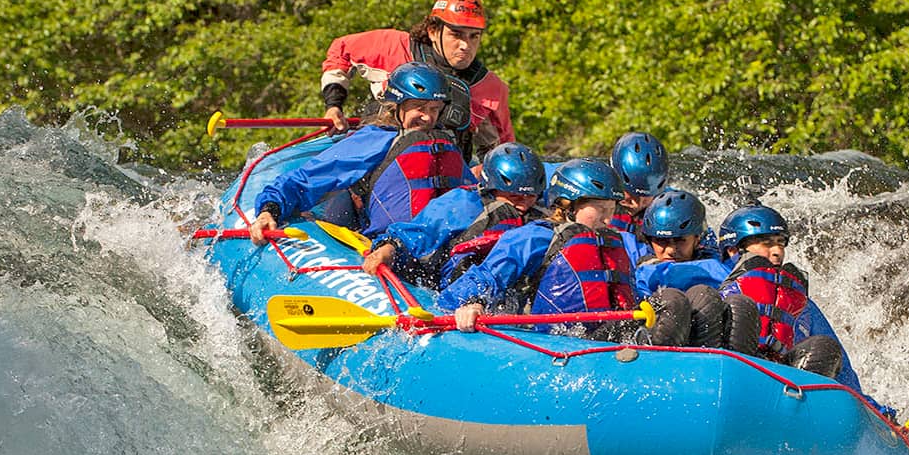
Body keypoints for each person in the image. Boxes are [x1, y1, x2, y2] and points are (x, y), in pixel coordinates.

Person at [438, 158, 695, 345]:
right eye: (599, 208)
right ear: (567, 204)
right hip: (553, 342)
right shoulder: (536, 237)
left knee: (675, 302)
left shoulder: (612, 242)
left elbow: (631, 292)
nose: (608, 219)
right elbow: (486, 278)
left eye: (611, 208)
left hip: (606, 337)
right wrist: (472, 303)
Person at [250, 62, 472, 244]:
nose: (427, 117)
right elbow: (306, 179)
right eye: (419, 108)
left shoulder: (444, 145)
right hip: (384, 247)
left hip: (437, 250)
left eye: (434, 109)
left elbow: (472, 197)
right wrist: (270, 210)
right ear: (397, 105)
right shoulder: (375, 141)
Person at [717, 205, 896, 418]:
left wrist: (873, 410)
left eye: (780, 243)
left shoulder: (799, 302)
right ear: (733, 250)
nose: (777, 251)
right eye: (766, 243)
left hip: (780, 394)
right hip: (721, 383)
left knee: (823, 348)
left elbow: (843, 371)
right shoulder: (707, 280)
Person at [319, 0, 514, 159]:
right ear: (432, 31)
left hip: (442, 178)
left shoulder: (491, 88)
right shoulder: (395, 46)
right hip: (375, 162)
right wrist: (333, 106)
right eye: (456, 34)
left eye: (474, 36)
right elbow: (340, 49)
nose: (465, 46)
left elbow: (502, 149)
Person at [361, 142, 548, 287]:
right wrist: (389, 250)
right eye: (514, 197)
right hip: (454, 288)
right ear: (491, 188)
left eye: (530, 196)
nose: (523, 205)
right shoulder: (463, 204)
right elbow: (422, 232)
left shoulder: (542, 214)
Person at [633, 189, 759, 351]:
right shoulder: (641, 267)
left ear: (697, 239)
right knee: (682, 299)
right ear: (650, 241)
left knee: (740, 305)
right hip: (655, 335)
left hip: (710, 342)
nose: (671, 250)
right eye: (661, 241)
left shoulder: (717, 263)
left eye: (680, 240)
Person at [609, 131, 669, 233]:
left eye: (646, 197)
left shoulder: (669, 207)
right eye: (631, 194)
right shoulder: (596, 205)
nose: (637, 204)